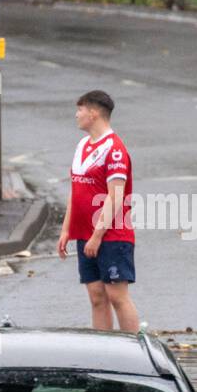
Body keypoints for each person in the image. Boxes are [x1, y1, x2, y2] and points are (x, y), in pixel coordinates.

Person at [58, 90, 140, 332]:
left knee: (117, 296)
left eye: (80, 110)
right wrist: (66, 230)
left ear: (93, 113)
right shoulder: (82, 145)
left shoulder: (115, 150)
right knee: (96, 296)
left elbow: (115, 197)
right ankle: (103, 350)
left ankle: (133, 351)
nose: (76, 115)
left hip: (112, 235)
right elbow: (75, 190)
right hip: (84, 234)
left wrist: (97, 236)